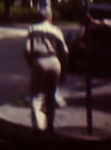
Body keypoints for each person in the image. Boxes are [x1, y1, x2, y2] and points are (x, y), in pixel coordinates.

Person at [23, 8, 68, 136]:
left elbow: (26, 50)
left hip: (39, 60)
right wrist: (63, 70)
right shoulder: (56, 30)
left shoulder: (32, 29)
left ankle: (38, 127)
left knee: (37, 95)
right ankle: (50, 125)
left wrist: (31, 63)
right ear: (50, 18)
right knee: (51, 94)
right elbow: (65, 52)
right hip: (54, 61)